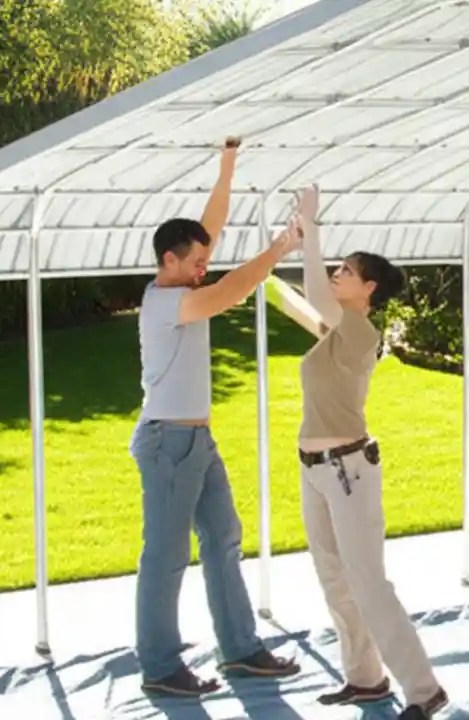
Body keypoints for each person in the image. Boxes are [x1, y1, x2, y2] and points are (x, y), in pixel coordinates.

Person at [265, 186, 449, 719]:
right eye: (338, 268)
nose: (337, 274)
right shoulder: (333, 332)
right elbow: (309, 297)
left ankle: (423, 691)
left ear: (367, 288)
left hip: (348, 472)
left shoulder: (359, 330)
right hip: (314, 471)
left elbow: (318, 292)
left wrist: (312, 228)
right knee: (333, 575)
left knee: (368, 581)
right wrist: (284, 253)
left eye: (347, 270)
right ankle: (365, 679)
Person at [130, 137, 302, 697]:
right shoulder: (167, 302)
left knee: (224, 538)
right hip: (168, 443)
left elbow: (211, 225)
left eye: (206, 260)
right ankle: (159, 667)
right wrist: (280, 248)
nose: (206, 268)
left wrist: (227, 166)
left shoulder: (185, 278)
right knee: (166, 555)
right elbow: (231, 289)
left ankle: (242, 651)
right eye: (197, 261)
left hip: (196, 441)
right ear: (168, 261)